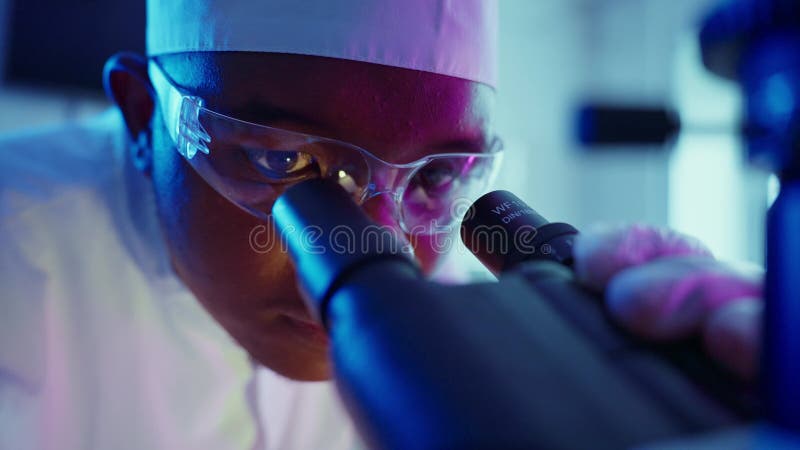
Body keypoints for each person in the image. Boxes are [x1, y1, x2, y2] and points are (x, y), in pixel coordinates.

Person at [0, 0, 763, 449]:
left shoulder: (449, 308)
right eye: (283, 159)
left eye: (434, 178)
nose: (380, 240)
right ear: (143, 116)